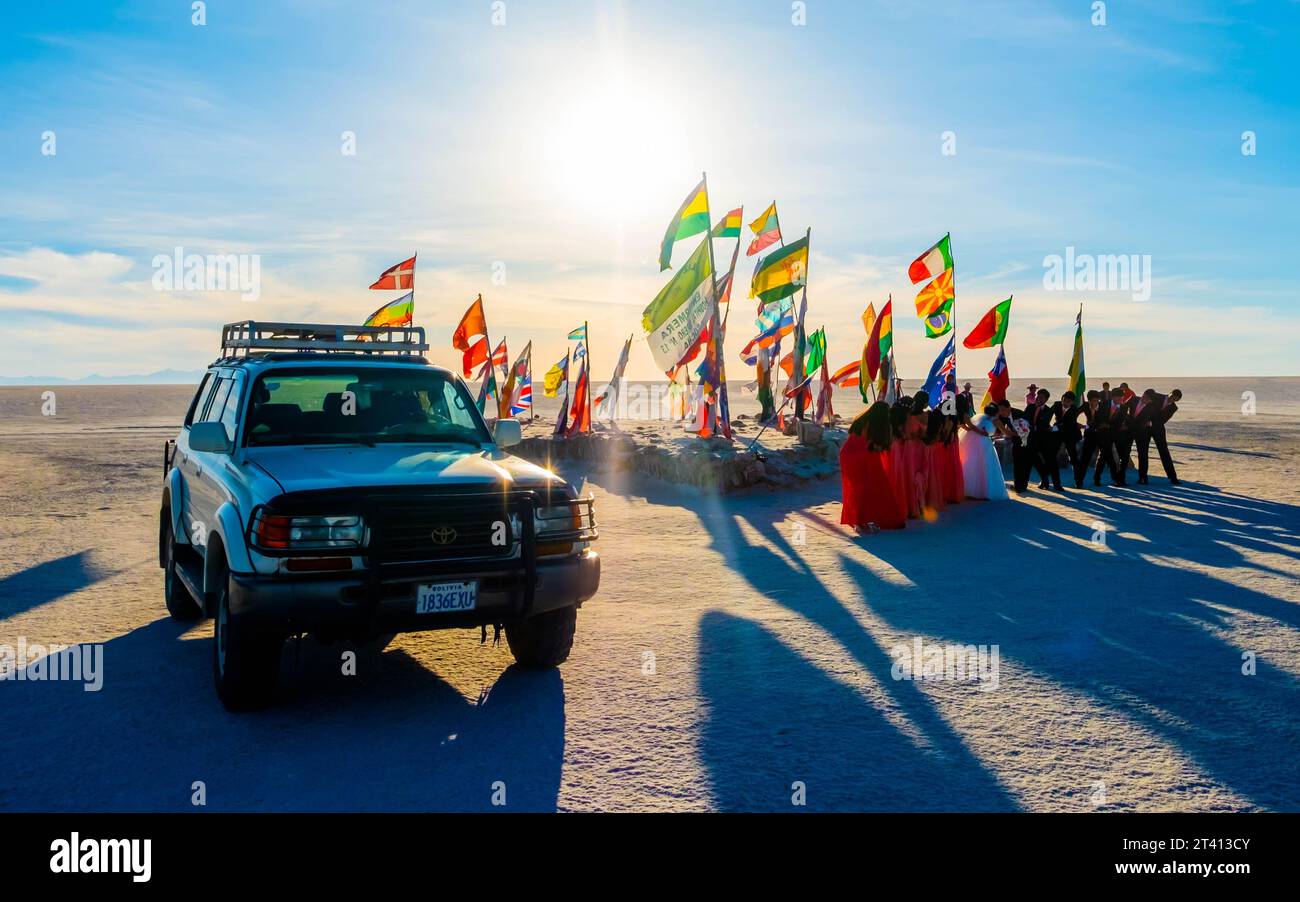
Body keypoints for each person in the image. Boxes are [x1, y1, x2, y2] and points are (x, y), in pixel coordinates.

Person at [839, 402, 906, 532]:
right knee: (873, 487)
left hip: (847, 454)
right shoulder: (874, 424)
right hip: (861, 455)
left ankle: (859, 520)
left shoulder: (862, 420)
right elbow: (874, 445)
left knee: (857, 488)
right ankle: (867, 520)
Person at [960, 403, 1011, 500]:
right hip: (984, 444)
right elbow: (1006, 433)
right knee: (985, 466)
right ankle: (984, 492)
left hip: (973, 443)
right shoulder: (996, 420)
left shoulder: (979, 417)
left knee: (973, 466)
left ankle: (969, 490)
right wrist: (1019, 433)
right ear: (996, 412)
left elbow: (970, 428)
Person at [1134, 388, 1181, 484]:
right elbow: (1145, 408)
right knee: (1143, 452)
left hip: (1158, 429)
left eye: (1174, 399)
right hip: (1145, 428)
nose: (1171, 400)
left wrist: (1152, 423)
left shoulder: (1173, 408)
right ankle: (1143, 478)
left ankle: (1173, 477)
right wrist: (1145, 421)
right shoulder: (1157, 396)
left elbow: (1163, 420)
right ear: (1169, 393)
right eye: (1171, 397)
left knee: (1164, 452)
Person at [1028, 387, 1064, 491]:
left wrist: (1033, 426)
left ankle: (1057, 484)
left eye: (1041, 398)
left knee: (1052, 461)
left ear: (1046, 400)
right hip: (1031, 439)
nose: (1039, 399)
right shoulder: (1030, 407)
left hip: (1045, 439)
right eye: (1038, 397)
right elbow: (1025, 419)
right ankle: (1044, 480)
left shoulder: (1048, 411)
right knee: (1036, 462)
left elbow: (1043, 424)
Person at [998, 398, 1034, 494]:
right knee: (1017, 463)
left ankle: (1022, 485)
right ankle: (1018, 486)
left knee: (1024, 464)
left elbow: (1023, 432)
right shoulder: (1003, 415)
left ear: (1009, 408)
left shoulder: (1019, 415)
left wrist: (1009, 433)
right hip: (1017, 441)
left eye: (1002, 410)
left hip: (1027, 441)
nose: (1001, 412)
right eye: (999, 410)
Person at [1054, 390, 1085, 487]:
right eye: (1064, 400)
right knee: (1051, 456)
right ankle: (1048, 480)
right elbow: (1048, 414)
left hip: (1070, 435)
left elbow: (1068, 424)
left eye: (1068, 401)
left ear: (1072, 402)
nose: (1065, 402)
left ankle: (1078, 481)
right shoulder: (1057, 405)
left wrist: (1055, 426)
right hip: (1059, 435)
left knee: (1074, 459)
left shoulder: (1074, 410)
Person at [1109, 387, 1135, 484]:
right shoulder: (1105, 405)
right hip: (1108, 434)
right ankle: (1113, 477)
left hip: (1121, 436)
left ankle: (1121, 479)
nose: (1121, 400)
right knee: (1106, 457)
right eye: (1119, 398)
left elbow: (1121, 420)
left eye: (1122, 398)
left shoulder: (1124, 407)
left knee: (1123, 457)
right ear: (1113, 397)